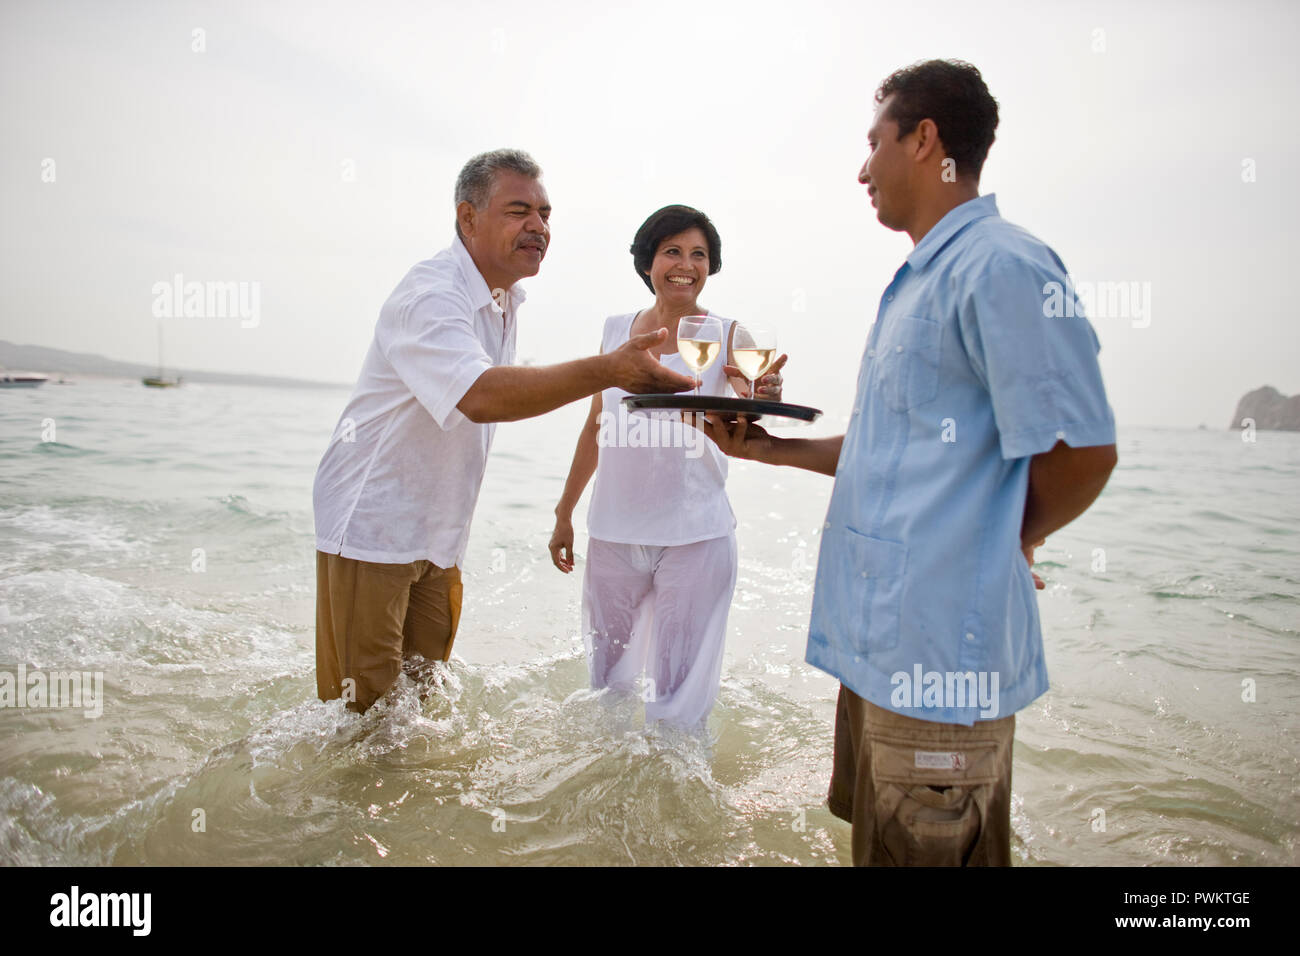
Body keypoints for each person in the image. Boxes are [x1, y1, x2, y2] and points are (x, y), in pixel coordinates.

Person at [691, 60, 1117, 865]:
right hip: (881, 651)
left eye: (872, 142)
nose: (862, 168)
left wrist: (1004, 538)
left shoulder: (1002, 267)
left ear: (925, 141)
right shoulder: (921, 279)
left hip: (938, 660)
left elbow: (1082, 450)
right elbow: (898, 452)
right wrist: (770, 449)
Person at [313, 149, 695, 715]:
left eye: (545, 214)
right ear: (468, 218)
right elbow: (482, 397)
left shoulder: (504, 299)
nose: (539, 228)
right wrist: (610, 369)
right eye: (520, 211)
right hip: (375, 530)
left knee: (417, 712)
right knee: (359, 717)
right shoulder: (432, 295)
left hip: (439, 536)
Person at [547, 205, 786, 729]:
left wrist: (761, 393)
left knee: (678, 704)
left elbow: (750, 399)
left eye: (698, 254)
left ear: (711, 265)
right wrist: (565, 511)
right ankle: (603, 793)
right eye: (672, 251)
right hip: (614, 534)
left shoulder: (730, 334)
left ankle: (682, 801)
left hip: (695, 538)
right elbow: (595, 425)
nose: (686, 264)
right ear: (648, 261)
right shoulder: (615, 330)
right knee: (606, 688)